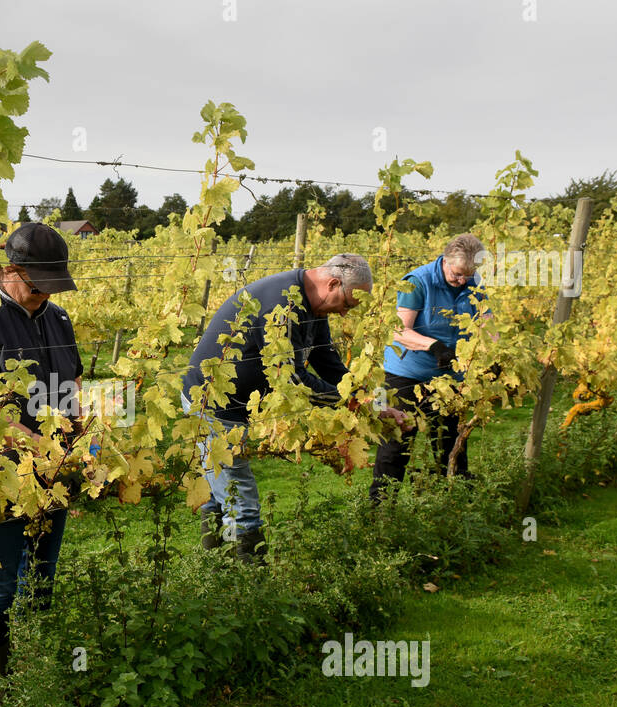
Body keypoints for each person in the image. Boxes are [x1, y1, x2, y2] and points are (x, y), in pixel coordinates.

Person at [182, 254, 409, 559]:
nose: (343, 314)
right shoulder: (282, 305)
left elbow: (328, 363)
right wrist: (350, 403)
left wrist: (374, 403)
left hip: (234, 405)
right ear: (333, 283)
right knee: (240, 501)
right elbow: (292, 381)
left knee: (221, 494)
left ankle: (218, 569)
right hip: (211, 404)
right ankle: (247, 584)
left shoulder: (309, 305)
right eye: (347, 304)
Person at [0, 223, 86, 677]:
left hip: (54, 464)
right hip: (1, 472)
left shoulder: (59, 318)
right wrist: (43, 448)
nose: (42, 295)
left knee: (43, 572)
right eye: (35, 286)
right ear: (10, 270)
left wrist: (83, 440)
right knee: (1, 580)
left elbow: (73, 387)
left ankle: (35, 664)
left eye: (51, 287)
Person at [370, 233, 487, 502]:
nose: (462, 281)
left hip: (450, 378)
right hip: (405, 375)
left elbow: (486, 323)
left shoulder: (474, 283)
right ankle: (380, 513)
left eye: (469, 275)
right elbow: (399, 331)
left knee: (452, 443)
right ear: (445, 261)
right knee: (396, 444)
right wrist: (433, 346)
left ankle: (452, 506)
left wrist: (493, 352)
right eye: (458, 274)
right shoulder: (417, 281)